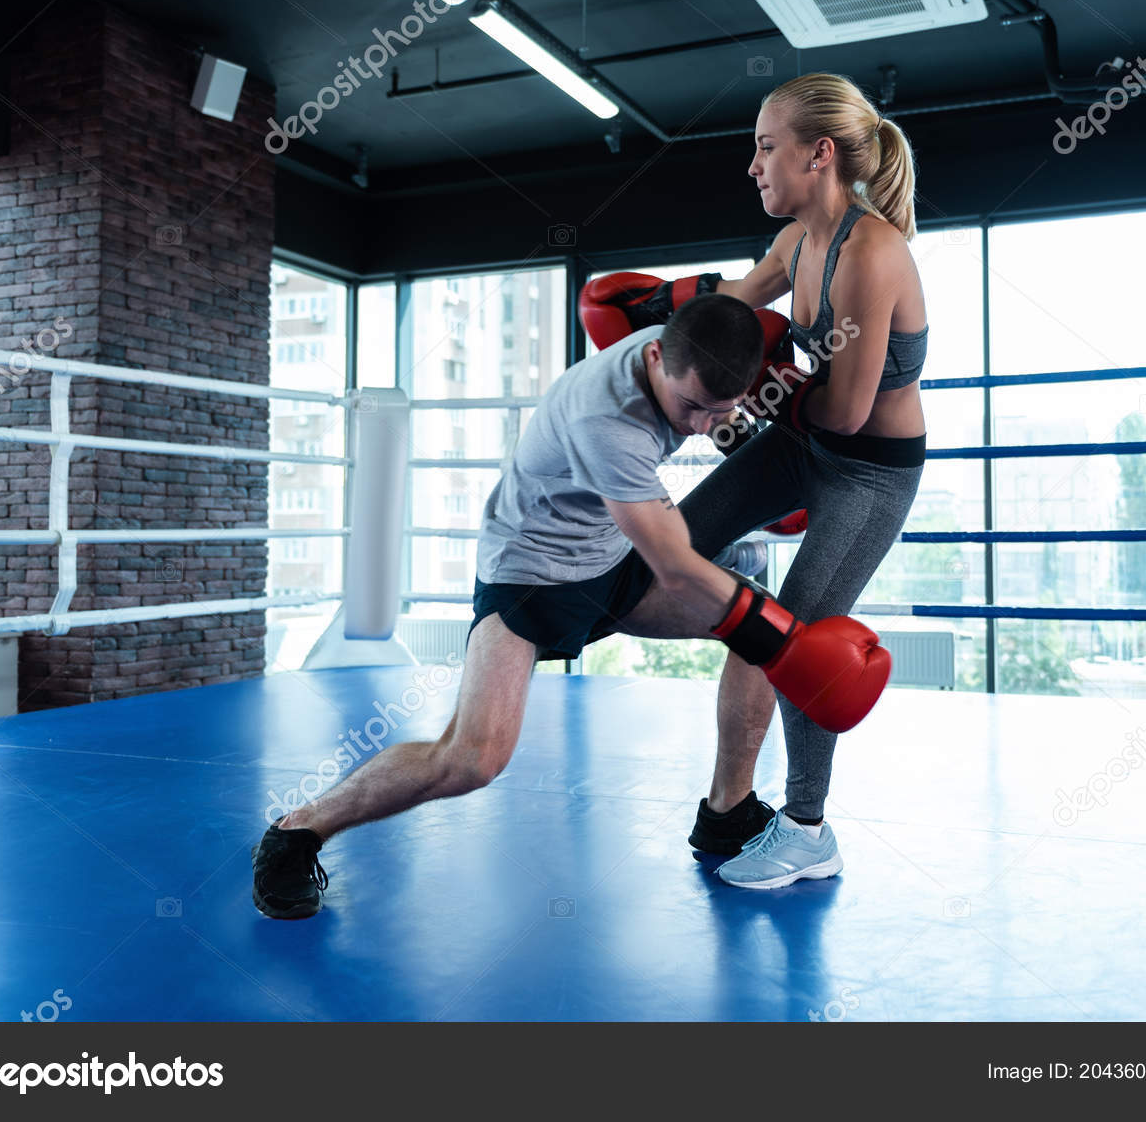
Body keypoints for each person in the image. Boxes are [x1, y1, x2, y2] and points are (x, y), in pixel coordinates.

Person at [251, 293, 893, 918]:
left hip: (611, 560)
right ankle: (299, 829)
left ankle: (728, 812)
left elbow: (756, 283)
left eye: (718, 410)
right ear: (652, 361)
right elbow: (674, 564)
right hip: (533, 578)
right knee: (472, 759)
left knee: (754, 637)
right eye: (691, 406)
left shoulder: (693, 347)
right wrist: (788, 642)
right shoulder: (604, 419)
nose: (701, 424)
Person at [579, 73, 928, 890]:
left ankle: (807, 828)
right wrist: (654, 321)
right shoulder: (797, 241)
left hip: (868, 474)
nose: (754, 166)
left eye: (767, 148)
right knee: (665, 551)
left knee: (802, 644)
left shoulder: (870, 255)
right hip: (801, 447)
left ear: (820, 153)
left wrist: (762, 387)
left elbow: (843, 413)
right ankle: (607, 622)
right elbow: (727, 320)